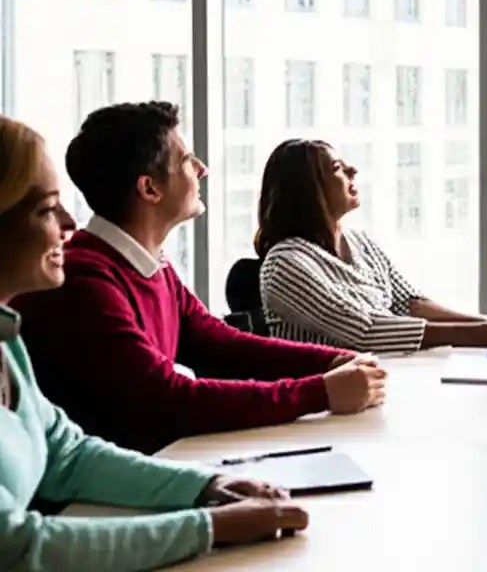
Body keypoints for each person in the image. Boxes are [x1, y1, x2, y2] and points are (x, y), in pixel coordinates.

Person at [0, 116, 312, 569]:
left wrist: (205, 486)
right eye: (47, 209)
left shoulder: (7, 339)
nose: (69, 223)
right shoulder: (87, 278)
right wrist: (212, 528)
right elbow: (20, 547)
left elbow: (68, 454)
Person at [12, 102, 386, 455]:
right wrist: (319, 392)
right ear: (150, 189)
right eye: (188, 162)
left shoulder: (151, 264)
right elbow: (167, 399)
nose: (202, 169)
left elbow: (216, 343)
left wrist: (335, 360)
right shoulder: (83, 280)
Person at [256, 139, 487, 355]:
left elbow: (410, 304)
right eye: (337, 168)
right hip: (327, 403)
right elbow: (364, 330)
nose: (353, 171)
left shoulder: (359, 241)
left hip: (387, 379)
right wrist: (483, 335)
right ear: (308, 190)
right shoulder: (284, 264)